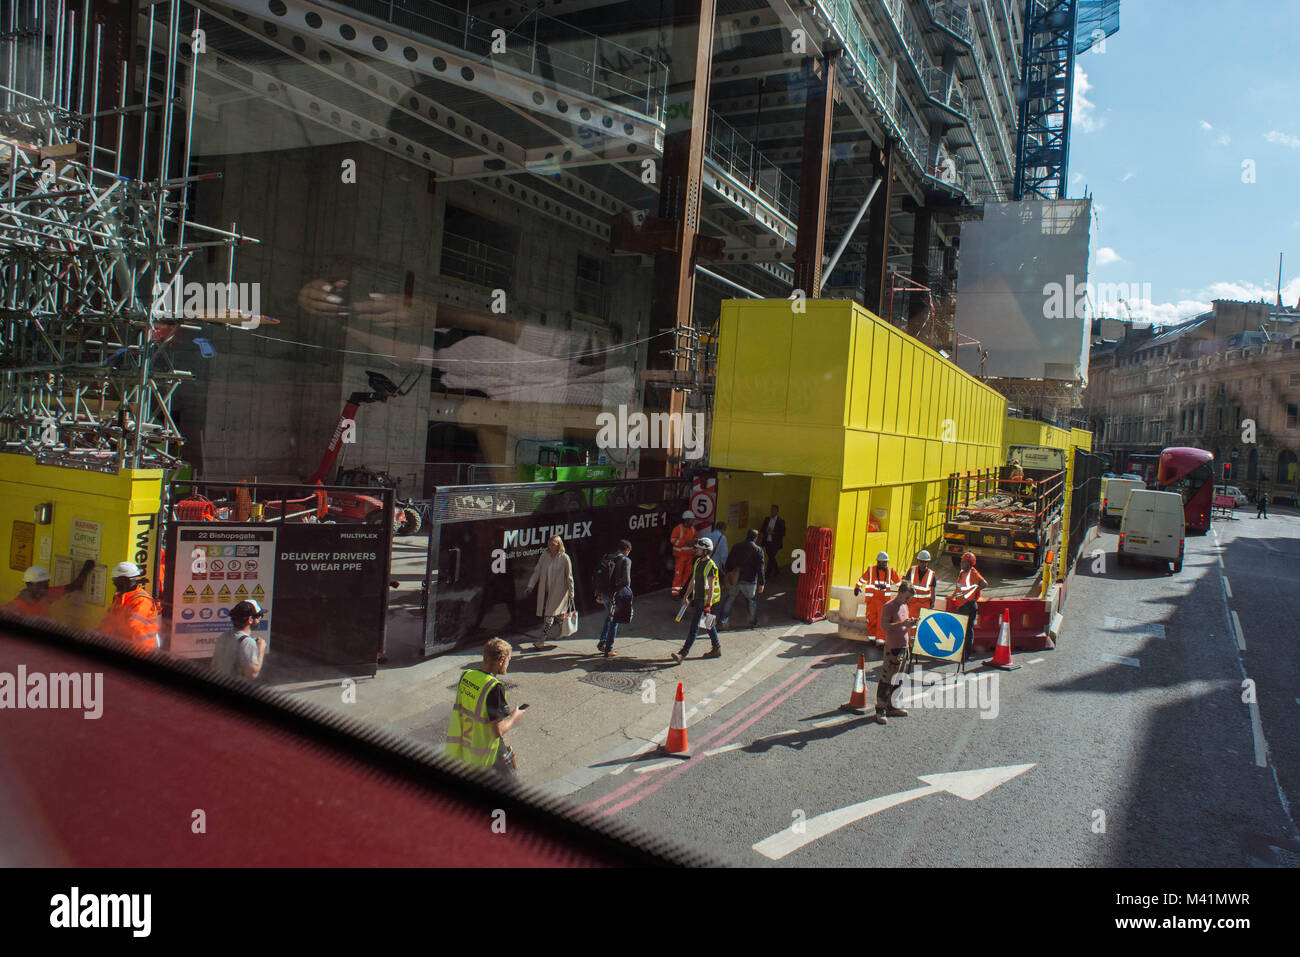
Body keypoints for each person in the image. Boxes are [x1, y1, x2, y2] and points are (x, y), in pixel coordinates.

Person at [444, 637, 527, 778]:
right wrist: (515, 717)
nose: (508, 664)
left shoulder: (466, 676)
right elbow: (498, 731)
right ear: (501, 660)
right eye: (508, 660)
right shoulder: (495, 688)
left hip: (464, 748)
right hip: (487, 755)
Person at [873, 580, 918, 725]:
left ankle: (892, 706)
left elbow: (902, 625)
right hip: (893, 648)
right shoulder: (889, 607)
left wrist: (909, 623)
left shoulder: (904, 605)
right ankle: (880, 709)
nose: (908, 600)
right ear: (900, 592)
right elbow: (885, 626)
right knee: (887, 679)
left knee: (899, 679)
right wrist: (903, 624)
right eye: (906, 597)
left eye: (909, 598)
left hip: (903, 647)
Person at [671, 537, 721, 663]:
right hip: (698, 599)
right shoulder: (698, 562)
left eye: (698, 548)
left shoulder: (711, 566)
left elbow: (711, 588)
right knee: (708, 624)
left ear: (705, 551)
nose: (696, 550)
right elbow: (693, 580)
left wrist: (708, 605)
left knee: (694, 627)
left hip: (705, 602)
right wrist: (686, 596)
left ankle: (683, 653)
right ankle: (717, 648)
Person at [97, 561, 162, 652]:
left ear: (126, 580)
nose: (114, 583)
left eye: (116, 580)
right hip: (123, 647)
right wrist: (98, 635)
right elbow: (108, 620)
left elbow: (132, 627)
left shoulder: (141, 600)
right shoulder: (120, 598)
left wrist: (110, 637)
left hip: (140, 650)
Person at [524, 535, 574, 651]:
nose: (550, 547)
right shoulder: (544, 556)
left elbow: (569, 576)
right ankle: (563, 630)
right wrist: (530, 585)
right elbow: (537, 571)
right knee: (559, 614)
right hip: (546, 591)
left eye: (553, 545)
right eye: (549, 544)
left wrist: (572, 592)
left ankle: (541, 640)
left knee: (549, 616)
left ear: (558, 545)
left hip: (560, 592)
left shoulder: (564, 558)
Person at [3, 560, 94, 619]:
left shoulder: (47, 594)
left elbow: (75, 585)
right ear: (29, 584)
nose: (43, 589)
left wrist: (86, 569)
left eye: (46, 585)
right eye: (40, 585)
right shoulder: (14, 607)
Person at [719, 528, 766, 628]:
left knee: (729, 599)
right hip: (750, 580)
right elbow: (760, 568)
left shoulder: (737, 546)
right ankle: (753, 621)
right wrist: (761, 583)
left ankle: (723, 622)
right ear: (756, 538)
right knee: (751, 601)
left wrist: (728, 575)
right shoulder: (758, 550)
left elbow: (729, 562)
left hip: (735, 579)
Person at [593, 539, 632, 657]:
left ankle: (602, 642)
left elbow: (598, 575)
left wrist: (598, 593)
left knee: (609, 616)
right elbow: (626, 580)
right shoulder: (625, 560)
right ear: (627, 550)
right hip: (615, 594)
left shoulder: (607, 557)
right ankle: (608, 648)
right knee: (615, 620)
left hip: (604, 593)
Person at [211, 600, 267, 679]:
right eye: (259, 616)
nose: (259, 619)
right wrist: (261, 649)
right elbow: (252, 674)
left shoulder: (224, 635)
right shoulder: (247, 642)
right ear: (250, 619)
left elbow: (214, 664)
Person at [855, 551, 901, 647]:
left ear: (887, 562)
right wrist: (857, 587)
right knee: (871, 620)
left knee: (882, 621)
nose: (882, 564)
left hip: (884, 602)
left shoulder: (890, 571)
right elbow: (862, 579)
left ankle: (880, 642)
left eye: (884, 562)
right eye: (880, 562)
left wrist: (904, 593)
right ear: (877, 562)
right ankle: (871, 639)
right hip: (872, 600)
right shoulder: (871, 570)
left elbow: (899, 583)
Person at [950, 551, 986, 656]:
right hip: (962, 605)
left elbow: (984, 583)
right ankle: (961, 652)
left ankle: (966, 654)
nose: (962, 563)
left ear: (970, 564)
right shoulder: (962, 573)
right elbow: (959, 587)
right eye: (962, 561)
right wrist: (952, 596)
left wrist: (973, 592)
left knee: (967, 630)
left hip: (969, 605)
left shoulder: (973, 573)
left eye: (964, 562)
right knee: (962, 629)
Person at [669, 510, 697, 597]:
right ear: (686, 519)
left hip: (690, 556)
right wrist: (685, 542)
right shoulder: (678, 529)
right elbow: (673, 540)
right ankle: (675, 593)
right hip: (680, 556)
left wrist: (694, 543)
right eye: (692, 519)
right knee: (678, 574)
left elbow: (695, 540)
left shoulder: (693, 529)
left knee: (687, 575)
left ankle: (683, 592)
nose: (693, 521)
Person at [903, 550, 936, 623]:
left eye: (925, 562)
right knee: (911, 623)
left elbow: (933, 591)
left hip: (925, 604)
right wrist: (904, 599)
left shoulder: (931, 574)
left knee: (922, 624)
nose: (923, 563)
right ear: (918, 560)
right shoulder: (912, 570)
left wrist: (932, 604)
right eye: (921, 561)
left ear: (928, 562)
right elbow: (906, 586)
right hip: (912, 603)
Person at [758, 505, 786, 578]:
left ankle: (767, 574)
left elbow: (783, 533)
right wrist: (766, 531)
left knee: (771, 557)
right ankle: (776, 570)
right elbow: (762, 529)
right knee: (771, 557)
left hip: (775, 543)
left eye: (774, 510)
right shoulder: (767, 519)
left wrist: (773, 533)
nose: (772, 511)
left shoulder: (781, 521)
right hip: (767, 542)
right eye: (771, 510)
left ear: (777, 511)